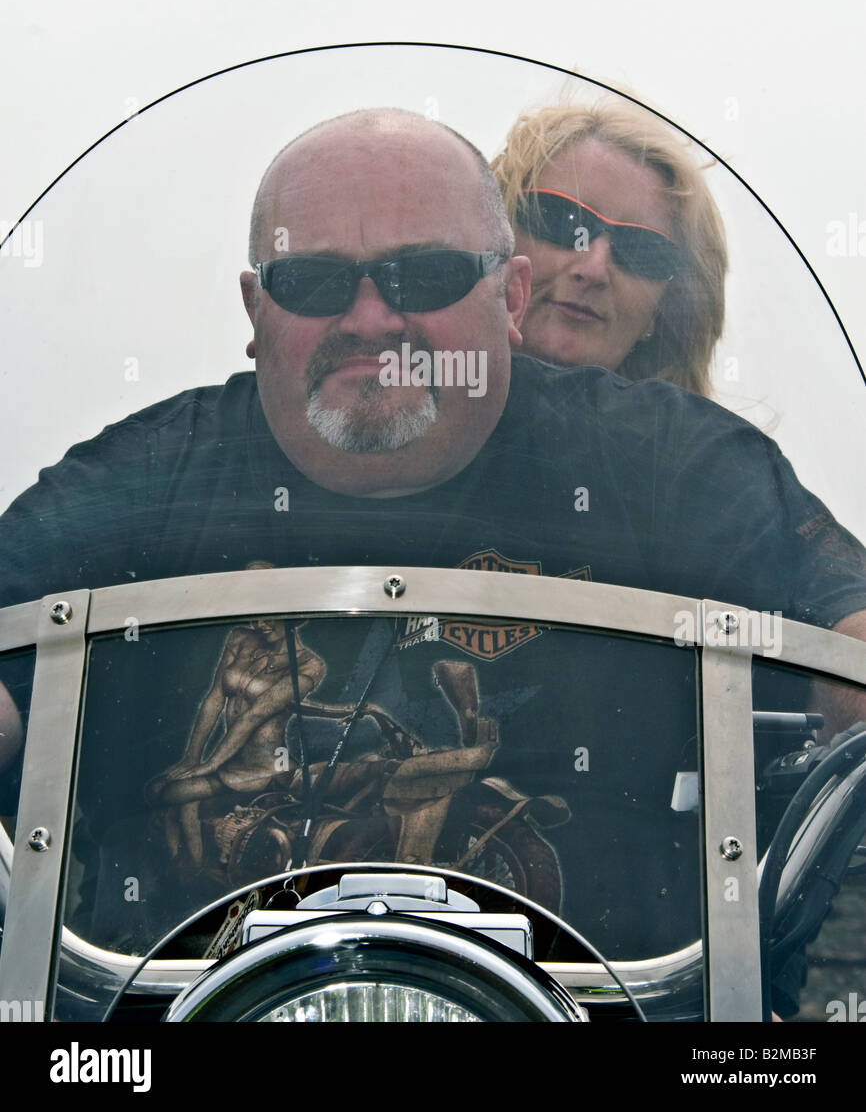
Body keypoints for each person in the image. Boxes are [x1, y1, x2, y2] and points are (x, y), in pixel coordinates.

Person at [1, 107, 864, 975]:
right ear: (256, 309)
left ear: (512, 297)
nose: (372, 319)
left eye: (426, 275)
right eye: (314, 281)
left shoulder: (669, 463)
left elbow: (845, 632)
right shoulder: (147, 476)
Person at [492, 99, 727, 395]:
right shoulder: (416, 418)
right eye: (562, 221)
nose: (593, 270)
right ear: (496, 236)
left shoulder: (703, 441)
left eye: (641, 251)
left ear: (664, 308)